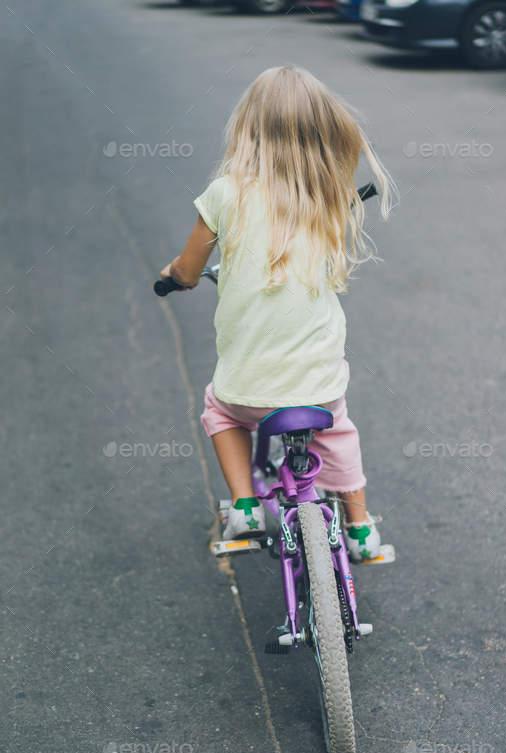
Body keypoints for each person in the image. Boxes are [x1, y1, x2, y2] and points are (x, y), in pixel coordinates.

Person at [160, 65, 396, 562]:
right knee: (339, 429)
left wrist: (178, 276)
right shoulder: (326, 195)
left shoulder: (224, 194)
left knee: (219, 409)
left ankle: (244, 505)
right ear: (323, 130)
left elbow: (188, 266)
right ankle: (359, 529)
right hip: (318, 389)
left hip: (247, 390)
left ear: (248, 128)